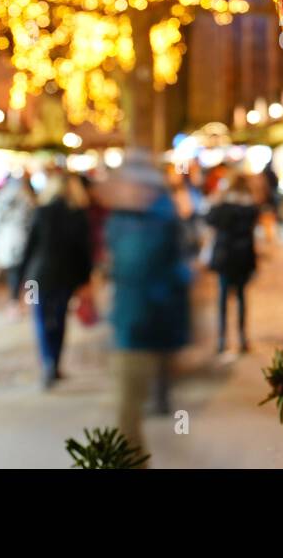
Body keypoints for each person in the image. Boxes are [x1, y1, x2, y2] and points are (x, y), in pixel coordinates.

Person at [104, 154, 190, 460]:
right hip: (133, 323)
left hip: (141, 327)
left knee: (126, 412)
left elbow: (159, 275)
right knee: (127, 412)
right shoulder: (125, 221)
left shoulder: (152, 225)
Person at [18, 172, 93, 388]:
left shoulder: (40, 212)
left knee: (41, 319)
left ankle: (47, 362)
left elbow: (29, 248)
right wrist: (85, 281)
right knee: (59, 318)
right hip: (65, 276)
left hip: (37, 276)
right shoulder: (77, 215)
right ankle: (55, 363)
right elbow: (83, 253)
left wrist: (18, 285)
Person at [204, 173, 259, 354]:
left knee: (223, 298)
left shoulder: (224, 207)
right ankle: (243, 337)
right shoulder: (250, 207)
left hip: (226, 256)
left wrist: (217, 198)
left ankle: (222, 339)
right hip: (244, 256)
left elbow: (209, 219)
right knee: (242, 296)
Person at [0, 174, 36, 306]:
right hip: (26, 239)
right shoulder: (27, 196)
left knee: (14, 273)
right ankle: (32, 301)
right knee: (30, 272)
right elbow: (34, 220)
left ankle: (14, 303)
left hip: (7, 241)